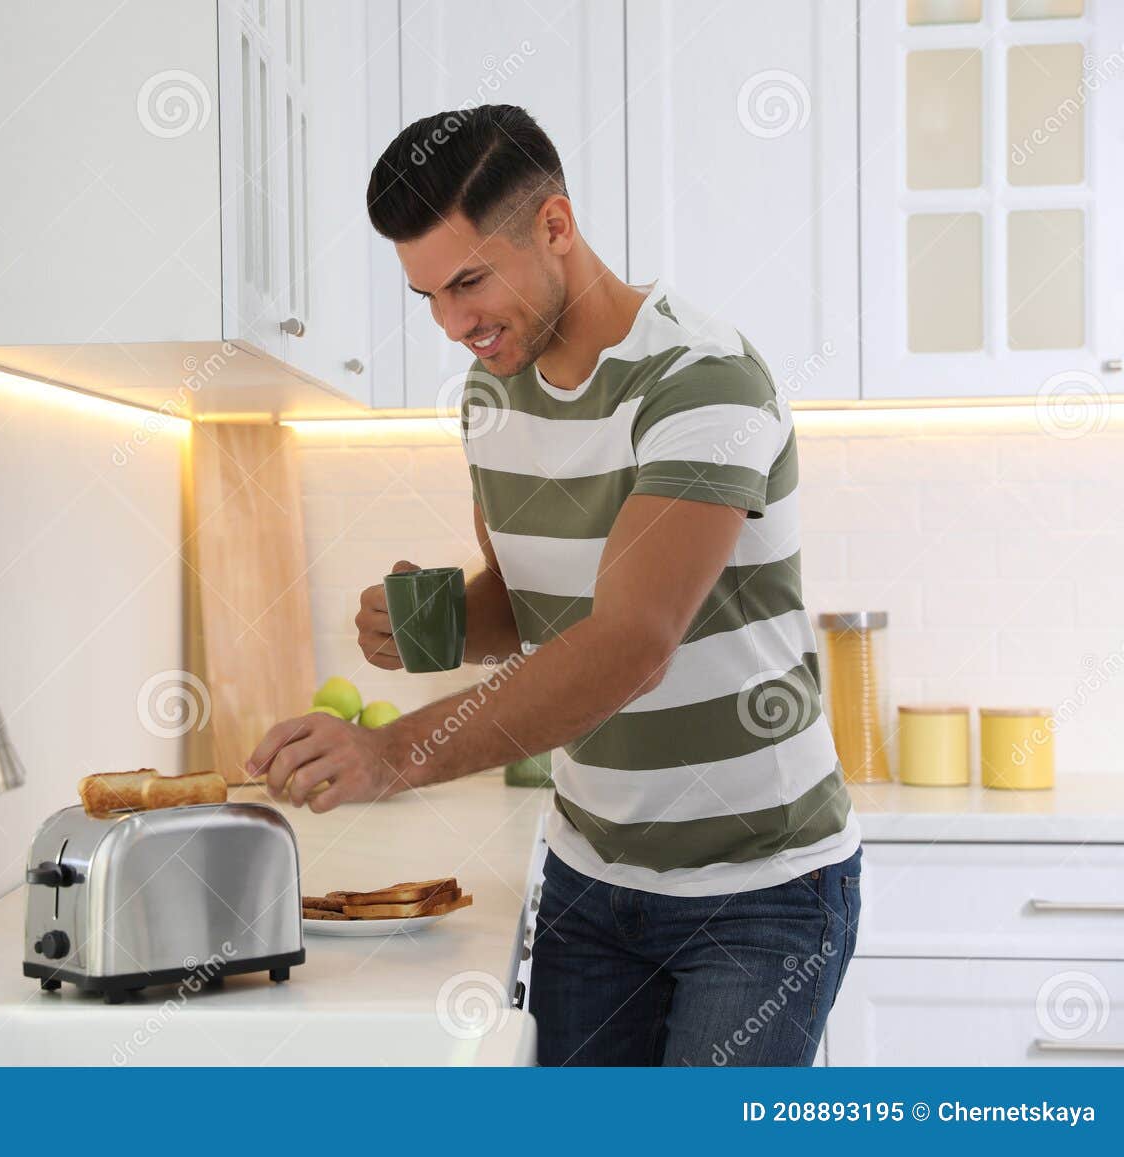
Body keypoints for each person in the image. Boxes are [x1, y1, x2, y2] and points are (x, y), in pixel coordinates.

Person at [244, 104, 860, 1066]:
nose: (454, 325)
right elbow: (529, 602)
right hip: (589, 878)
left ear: (557, 227)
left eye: (469, 282)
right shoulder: (494, 393)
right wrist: (441, 620)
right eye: (429, 298)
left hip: (755, 894)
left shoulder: (701, 382)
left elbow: (629, 644)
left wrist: (388, 755)